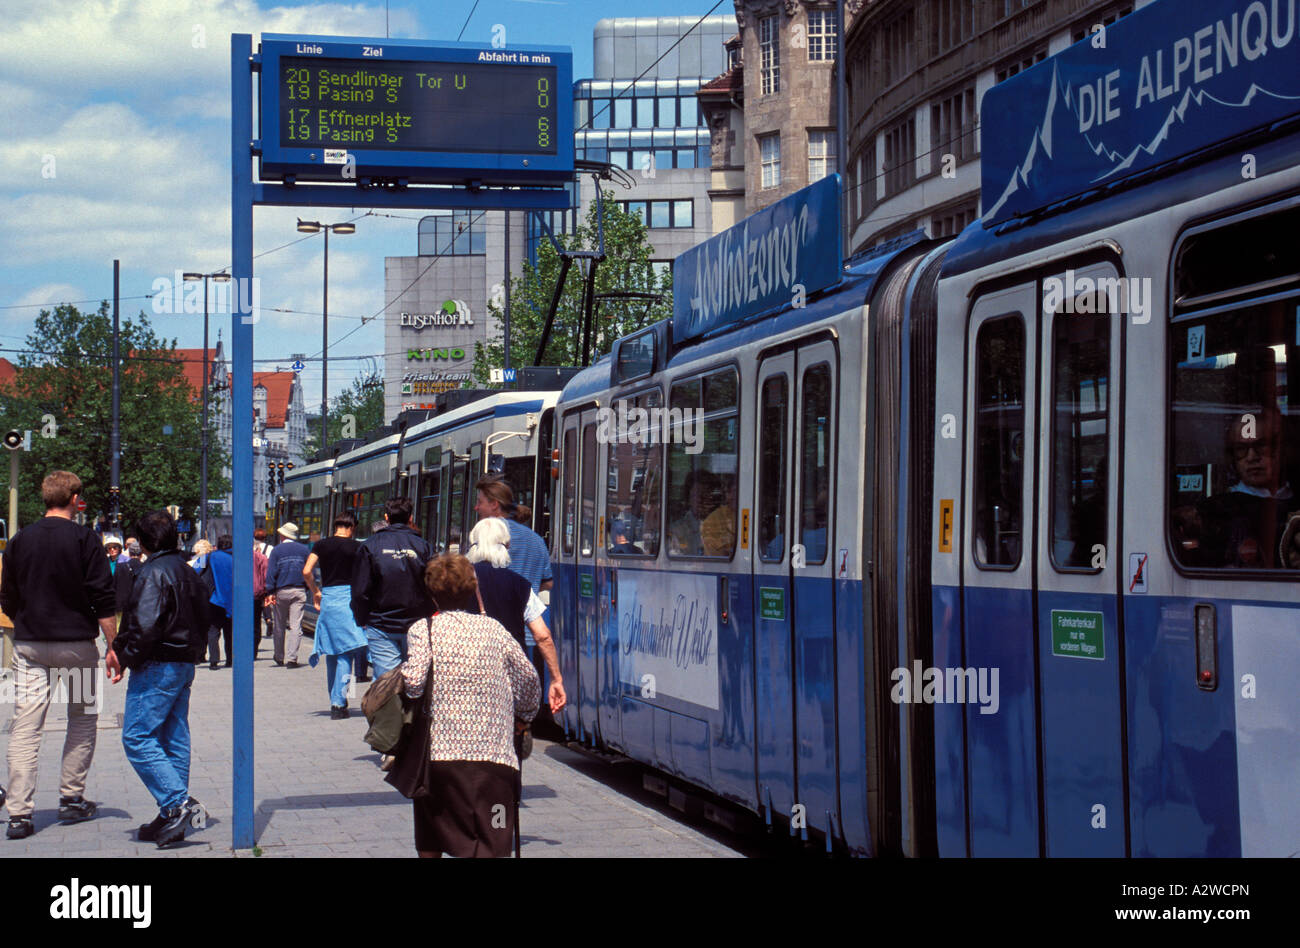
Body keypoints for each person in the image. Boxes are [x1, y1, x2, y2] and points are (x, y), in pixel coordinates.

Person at [0, 471, 116, 840]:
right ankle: (71, 798)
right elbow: (102, 598)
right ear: (75, 499)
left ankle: (19, 814)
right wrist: (113, 646)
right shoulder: (85, 539)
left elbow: (7, 594)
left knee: (25, 726)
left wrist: (24, 620)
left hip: (31, 645)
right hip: (76, 645)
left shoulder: (19, 541)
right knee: (81, 719)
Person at [400, 554, 539, 858]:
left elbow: (413, 684)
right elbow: (528, 679)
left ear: (431, 591)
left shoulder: (424, 630)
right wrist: (523, 718)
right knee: (495, 833)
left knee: (432, 832)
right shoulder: (495, 630)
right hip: (495, 759)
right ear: (471, 589)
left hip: (439, 757)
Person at [108, 509, 209, 848]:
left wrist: (124, 658)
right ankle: (171, 813)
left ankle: (177, 803)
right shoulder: (187, 571)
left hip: (158, 663)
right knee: (173, 737)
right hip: (183, 663)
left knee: (137, 736)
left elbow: (145, 625)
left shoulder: (152, 572)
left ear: (145, 541)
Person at [465, 518, 565, 715]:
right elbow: (542, 635)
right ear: (507, 546)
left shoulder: (457, 581)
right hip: (505, 677)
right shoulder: (520, 585)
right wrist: (556, 679)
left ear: (472, 544)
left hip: (465, 673)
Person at [1199, 410, 1297, 568]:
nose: (1251, 457)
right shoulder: (1215, 512)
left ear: (1282, 450)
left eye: (1261, 446)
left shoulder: (1296, 504)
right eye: (1241, 449)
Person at [351, 498, 435, 678]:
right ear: (410, 518)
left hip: (381, 625)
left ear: (386, 518)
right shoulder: (424, 547)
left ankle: (389, 706)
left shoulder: (370, 546)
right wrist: (427, 614)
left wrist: (362, 618)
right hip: (417, 624)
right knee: (416, 679)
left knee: (387, 682)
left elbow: (360, 590)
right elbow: (434, 585)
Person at [303, 513, 368, 718]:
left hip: (329, 600)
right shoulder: (357, 547)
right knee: (347, 651)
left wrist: (315, 591)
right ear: (352, 527)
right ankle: (339, 703)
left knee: (332, 651)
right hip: (348, 600)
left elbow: (306, 571)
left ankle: (336, 697)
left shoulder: (321, 545)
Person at [264, 522, 310, 667]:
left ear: (283, 535)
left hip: (281, 591)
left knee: (279, 624)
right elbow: (309, 571)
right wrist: (308, 588)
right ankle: (292, 658)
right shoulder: (304, 550)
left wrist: (270, 591)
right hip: (299, 590)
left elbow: (271, 573)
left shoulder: (277, 551)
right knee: (296, 626)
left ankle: (279, 656)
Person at [668, 470, 719, 556]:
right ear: (688, 497)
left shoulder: (721, 525)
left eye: (705, 494)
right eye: (696, 495)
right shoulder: (677, 530)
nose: (700, 500)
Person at [206, 535, 235, 670]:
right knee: (229, 632)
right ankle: (230, 659)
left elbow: (196, 569)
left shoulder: (211, 556)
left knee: (213, 630)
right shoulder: (236, 558)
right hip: (232, 600)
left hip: (215, 600)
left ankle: (214, 659)